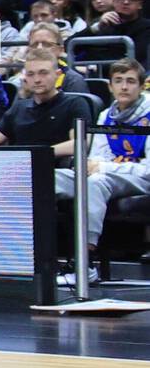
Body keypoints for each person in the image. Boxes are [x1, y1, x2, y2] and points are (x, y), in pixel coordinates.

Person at [55, 59, 150, 284]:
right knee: (51, 178)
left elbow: (148, 169)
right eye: (118, 81)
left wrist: (103, 167)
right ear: (110, 86)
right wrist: (91, 166)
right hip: (108, 175)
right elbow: (97, 157)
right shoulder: (106, 114)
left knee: (96, 182)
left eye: (130, 81)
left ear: (142, 85)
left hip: (141, 179)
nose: (124, 87)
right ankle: (36, 256)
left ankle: (85, 262)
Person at [0, 49, 96, 161]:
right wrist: (7, 159)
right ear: (25, 77)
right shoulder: (19, 107)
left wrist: (37, 155)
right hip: (18, 171)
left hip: (56, 171)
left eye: (43, 73)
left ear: (58, 75)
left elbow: (80, 143)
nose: (37, 80)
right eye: (31, 74)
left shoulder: (75, 103)